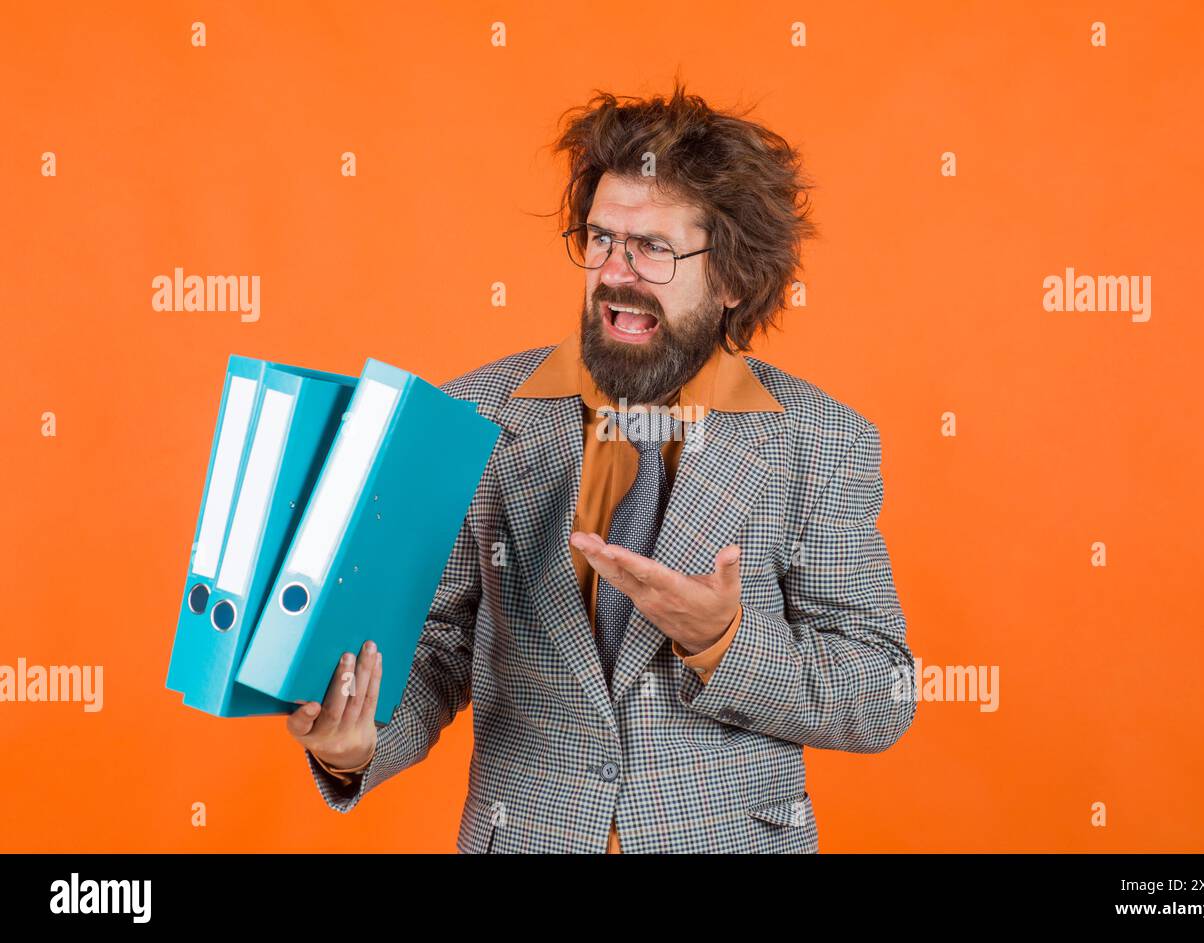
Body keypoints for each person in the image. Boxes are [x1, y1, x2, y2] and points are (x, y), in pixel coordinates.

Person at [286, 82, 917, 853]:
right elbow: (437, 647)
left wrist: (724, 639)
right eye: (602, 239)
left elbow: (881, 691)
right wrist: (356, 746)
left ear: (732, 279)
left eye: (653, 247)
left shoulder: (820, 442)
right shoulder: (475, 418)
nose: (617, 272)